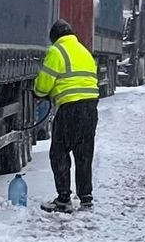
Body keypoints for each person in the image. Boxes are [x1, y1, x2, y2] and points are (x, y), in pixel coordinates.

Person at [33, 20, 100, 213]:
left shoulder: (57, 51)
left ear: (54, 37)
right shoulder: (84, 51)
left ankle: (63, 199)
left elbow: (44, 84)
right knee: (84, 153)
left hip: (70, 109)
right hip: (90, 108)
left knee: (59, 153)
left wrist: (38, 92)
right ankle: (86, 198)